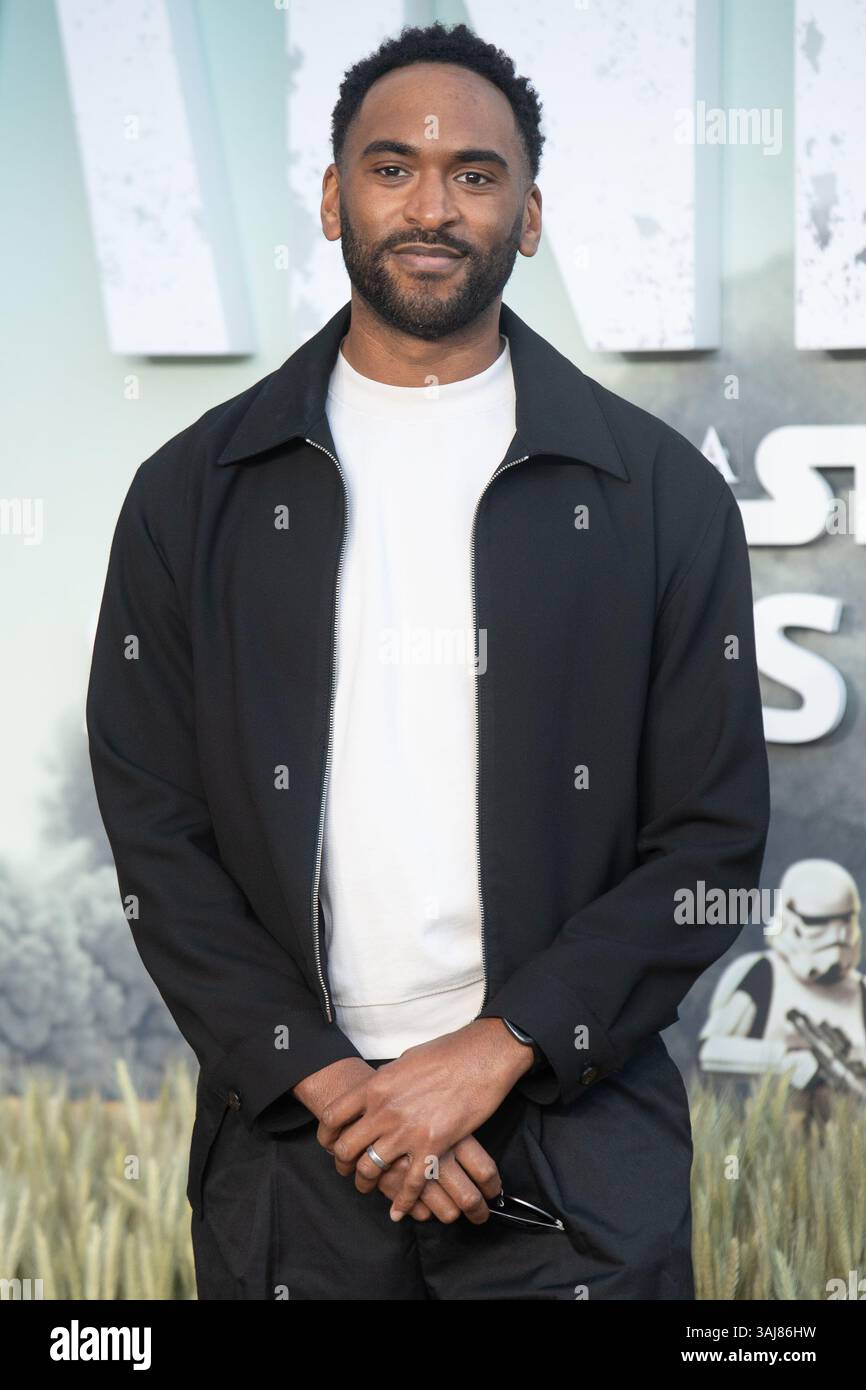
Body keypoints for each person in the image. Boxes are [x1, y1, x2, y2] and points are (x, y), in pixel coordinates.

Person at [86, 21, 770, 1300]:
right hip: (293, 1152)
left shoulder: (657, 493)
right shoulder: (192, 492)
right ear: (333, 196)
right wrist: (338, 1083)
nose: (432, 207)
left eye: (475, 174)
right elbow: (155, 827)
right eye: (392, 167)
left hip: (573, 1142)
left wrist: (496, 1048)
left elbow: (710, 837)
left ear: (529, 214)